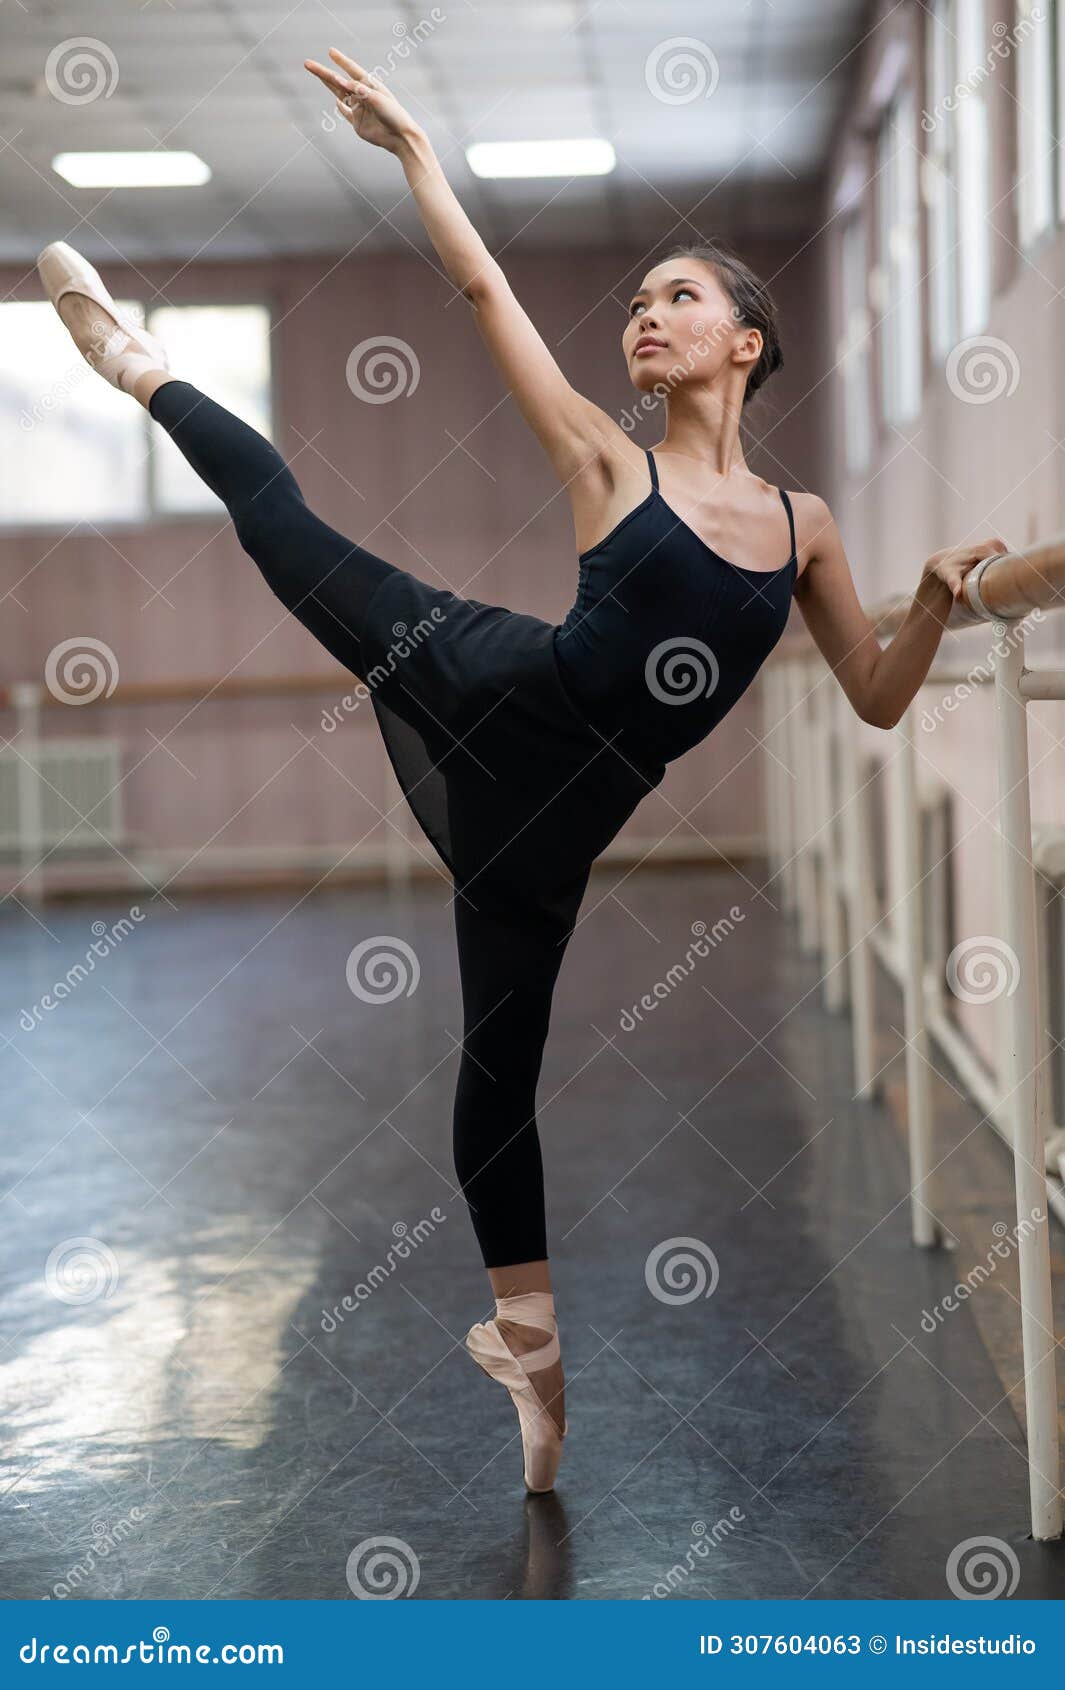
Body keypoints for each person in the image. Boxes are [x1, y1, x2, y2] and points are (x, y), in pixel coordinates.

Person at [37, 45, 1007, 1495]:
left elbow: (872, 694)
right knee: (282, 525)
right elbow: (485, 289)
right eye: (636, 301)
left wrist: (932, 598)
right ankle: (137, 361)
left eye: (677, 295)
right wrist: (417, 148)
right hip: (483, 675)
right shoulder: (611, 468)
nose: (645, 316)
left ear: (748, 339)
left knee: (499, 1078)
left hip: (550, 825)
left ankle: (535, 1368)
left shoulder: (803, 524)